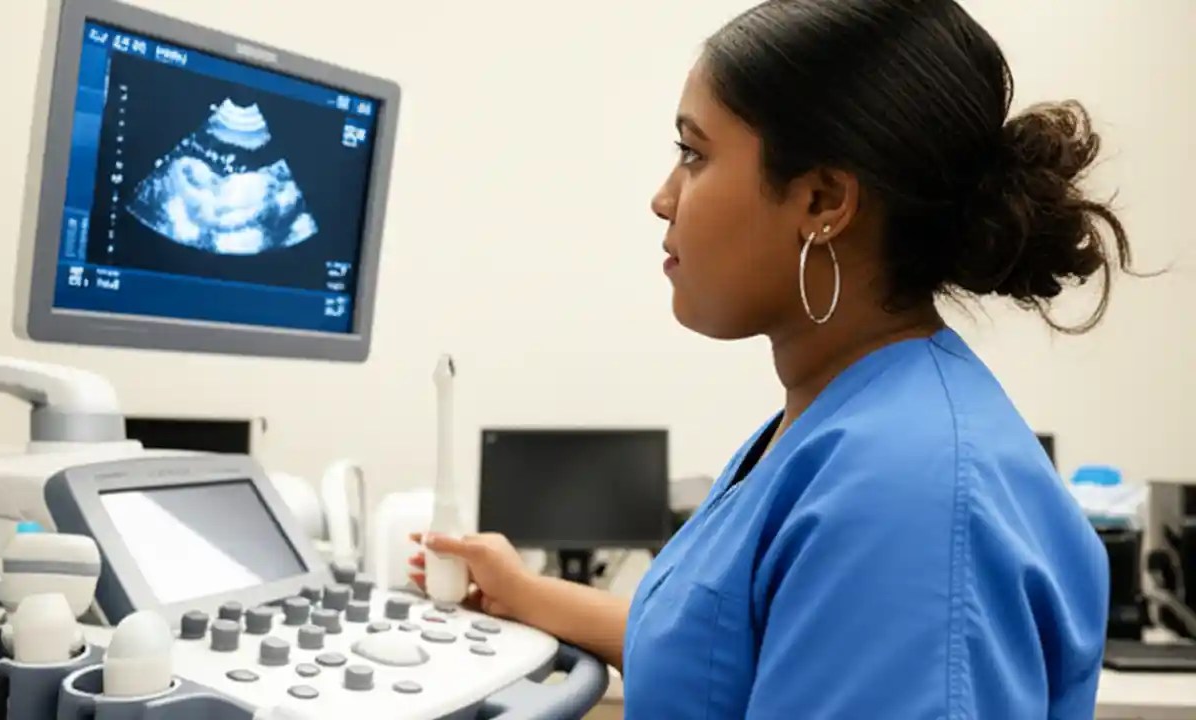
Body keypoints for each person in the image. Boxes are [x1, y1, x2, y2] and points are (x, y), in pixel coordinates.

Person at [412, 0, 1141, 716]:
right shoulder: (840, 419)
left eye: (694, 154)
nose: (663, 199)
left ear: (823, 201)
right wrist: (525, 593)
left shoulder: (908, 494)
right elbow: (718, 654)